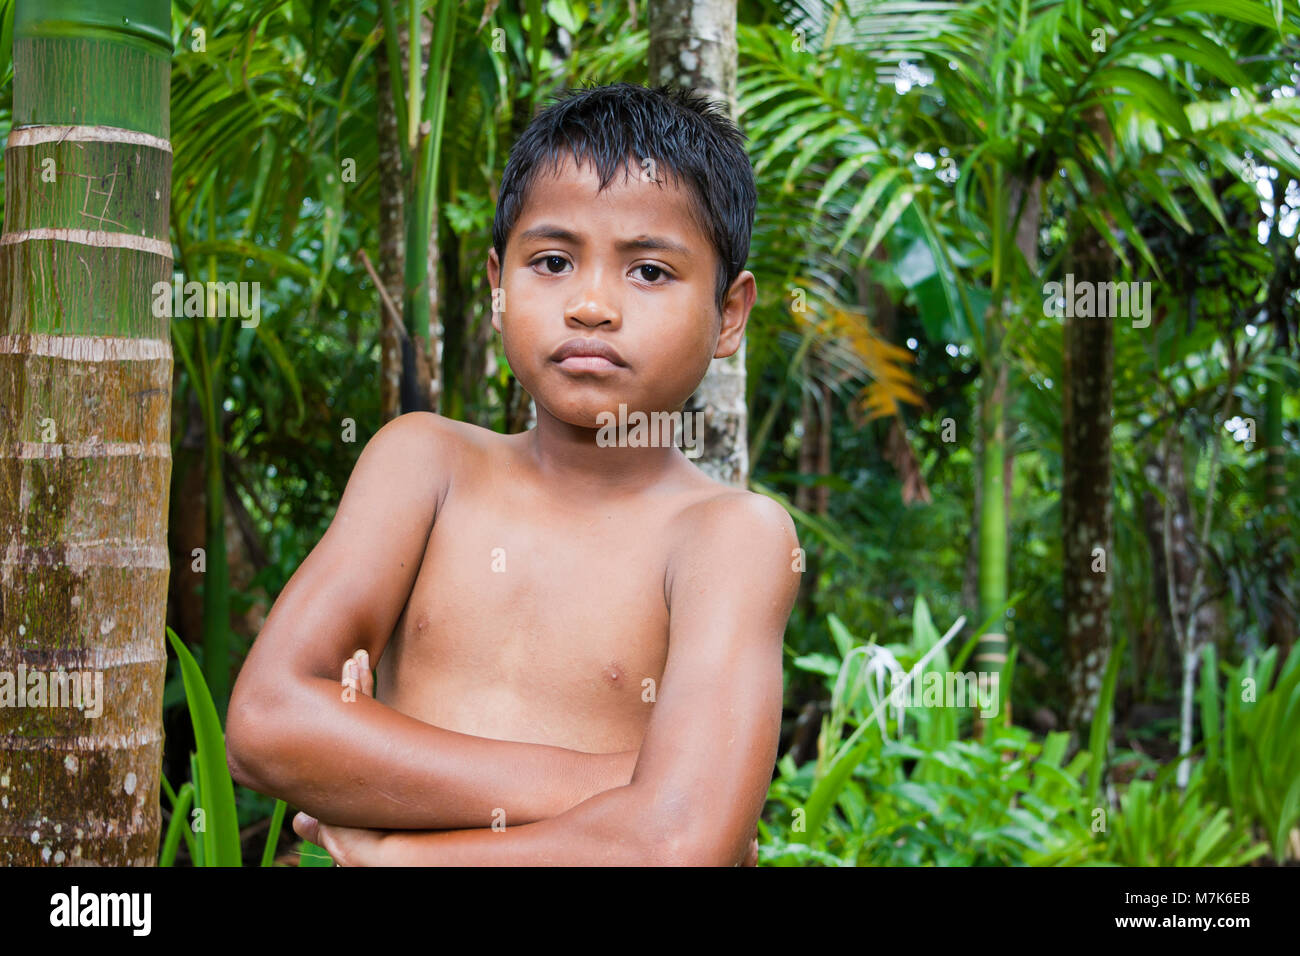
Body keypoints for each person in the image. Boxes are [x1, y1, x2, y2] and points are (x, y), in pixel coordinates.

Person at [225, 82, 801, 865]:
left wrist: (401, 853)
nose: (592, 305)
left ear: (729, 313)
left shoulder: (730, 537)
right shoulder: (423, 464)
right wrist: (620, 785)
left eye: (650, 272)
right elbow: (264, 725)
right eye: (554, 261)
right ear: (498, 286)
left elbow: (677, 840)